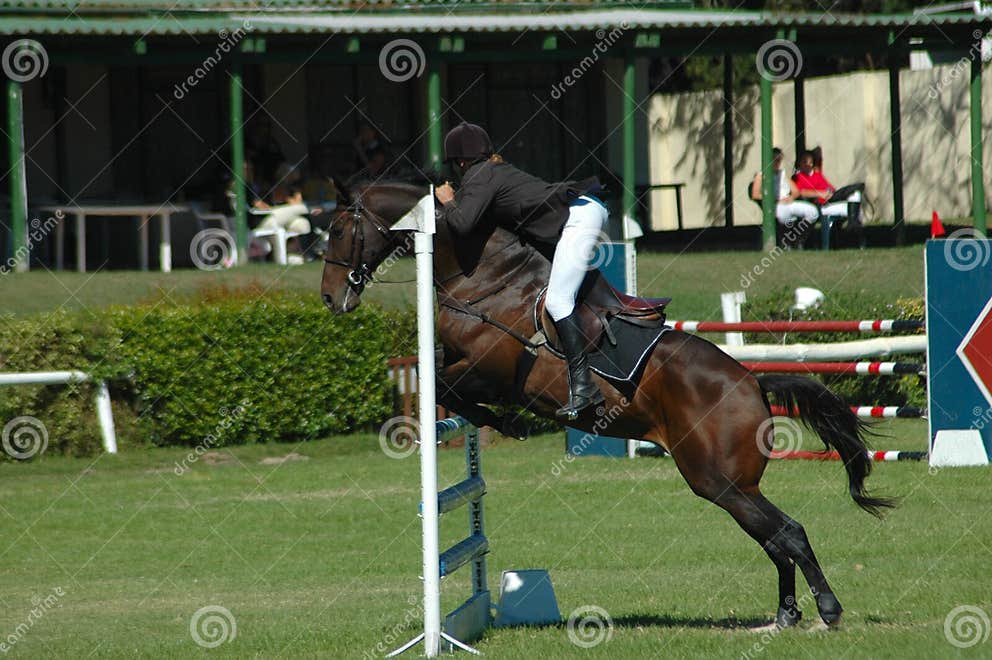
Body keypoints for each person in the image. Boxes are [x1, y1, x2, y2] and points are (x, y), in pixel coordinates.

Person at [434, 122, 605, 420]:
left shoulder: (479, 176)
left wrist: (448, 201)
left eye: (455, 166)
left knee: (558, 301)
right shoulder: (491, 171)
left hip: (579, 217)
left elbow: (461, 224)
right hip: (579, 212)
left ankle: (584, 387)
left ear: (462, 162)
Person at [750, 147, 819, 235]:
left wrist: (790, 198)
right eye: (774, 159)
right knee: (787, 220)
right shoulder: (761, 175)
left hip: (788, 202)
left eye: (778, 160)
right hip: (776, 205)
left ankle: (799, 237)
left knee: (813, 212)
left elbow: (796, 191)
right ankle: (789, 239)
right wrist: (774, 200)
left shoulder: (782, 173)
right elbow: (755, 195)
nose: (776, 162)